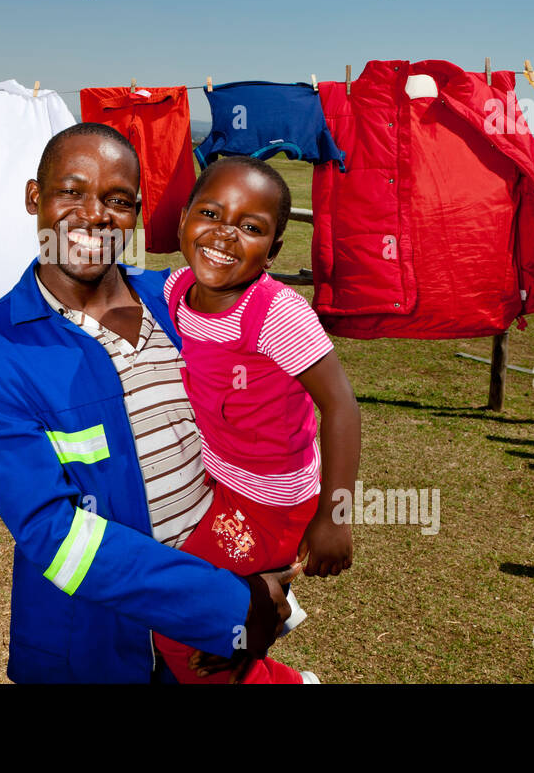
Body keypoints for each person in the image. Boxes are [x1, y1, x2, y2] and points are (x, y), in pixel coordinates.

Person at [0, 123, 311, 683]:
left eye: (118, 200)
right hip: (92, 648)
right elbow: (52, 531)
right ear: (33, 197)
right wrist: (229, 603)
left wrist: (266, 569)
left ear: (138, 213)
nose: (94, 215)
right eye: (71, 191)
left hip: (210, 633)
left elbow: (263, 426)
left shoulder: (183, 303)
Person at [153, 155, 361, 683]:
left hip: (268, 501)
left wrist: (334, 516)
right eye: (211, 213)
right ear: (183, 220)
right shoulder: (177, 290)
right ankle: (269, 606)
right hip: (216, 481)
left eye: (250, 227)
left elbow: (340, 405)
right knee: (209, 608)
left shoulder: (275, 313)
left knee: (188, 626)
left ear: (273, 251)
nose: (225, 234)